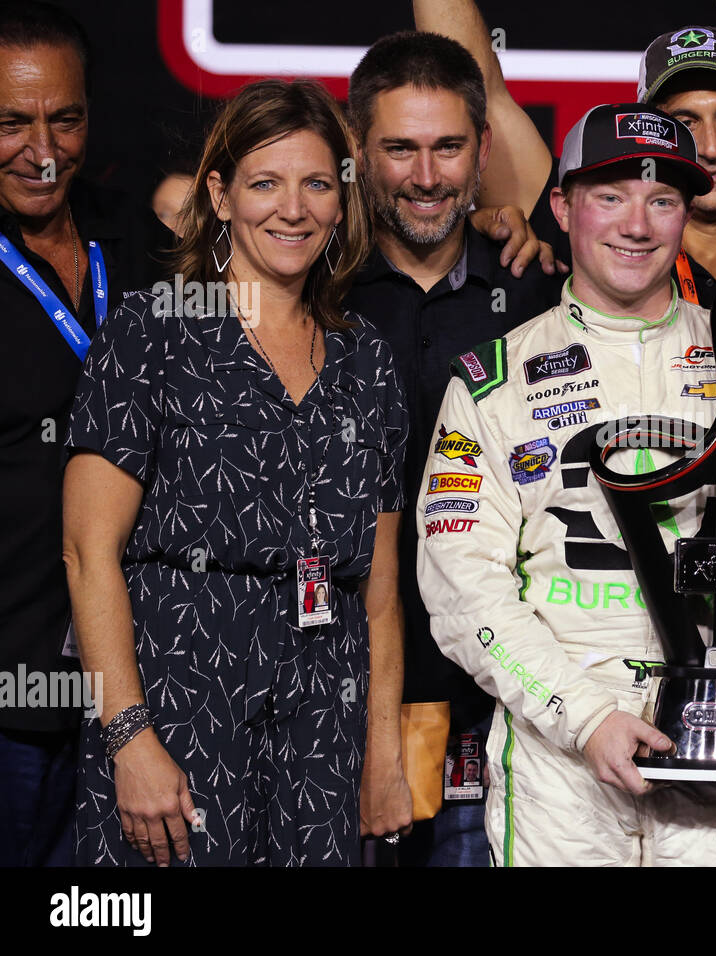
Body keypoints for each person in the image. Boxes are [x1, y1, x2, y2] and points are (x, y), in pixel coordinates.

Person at [416, 103, 716, 866]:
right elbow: (463, 586)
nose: (637, 224)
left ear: (686, 213)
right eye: (610, 196)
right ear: (560, 205)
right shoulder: (491, 384)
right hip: (565, 766)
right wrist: (586, 716)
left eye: (662, 200)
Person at [62, 78, 411, 866]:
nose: (293, 208)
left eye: (317, 183)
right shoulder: (149, 335)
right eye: (265, 183)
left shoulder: (368, 362)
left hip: (325, 724)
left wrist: (381, 751)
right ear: (219, 196)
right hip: (178, 707)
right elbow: (88, 555)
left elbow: (381, 591)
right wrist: (128, 737)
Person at [343, 30, 563, 868]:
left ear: (483, 152)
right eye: (399, 148)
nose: (427, 176)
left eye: (448, 147)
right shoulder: (311, 286)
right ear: (357, 148)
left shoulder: (541, 287)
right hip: (340, 696)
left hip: (501, 700)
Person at [0, 0, 171, 867]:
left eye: (63, 119)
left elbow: (292, 250)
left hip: (133, 705)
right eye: (11, 122)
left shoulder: (131, 236)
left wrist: (499, 218)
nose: (42, 150)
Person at [412, 1, 716, 306]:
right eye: (685, 123)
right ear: (652, 131)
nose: (711, 147)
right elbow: (481, 89)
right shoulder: (586, 238)